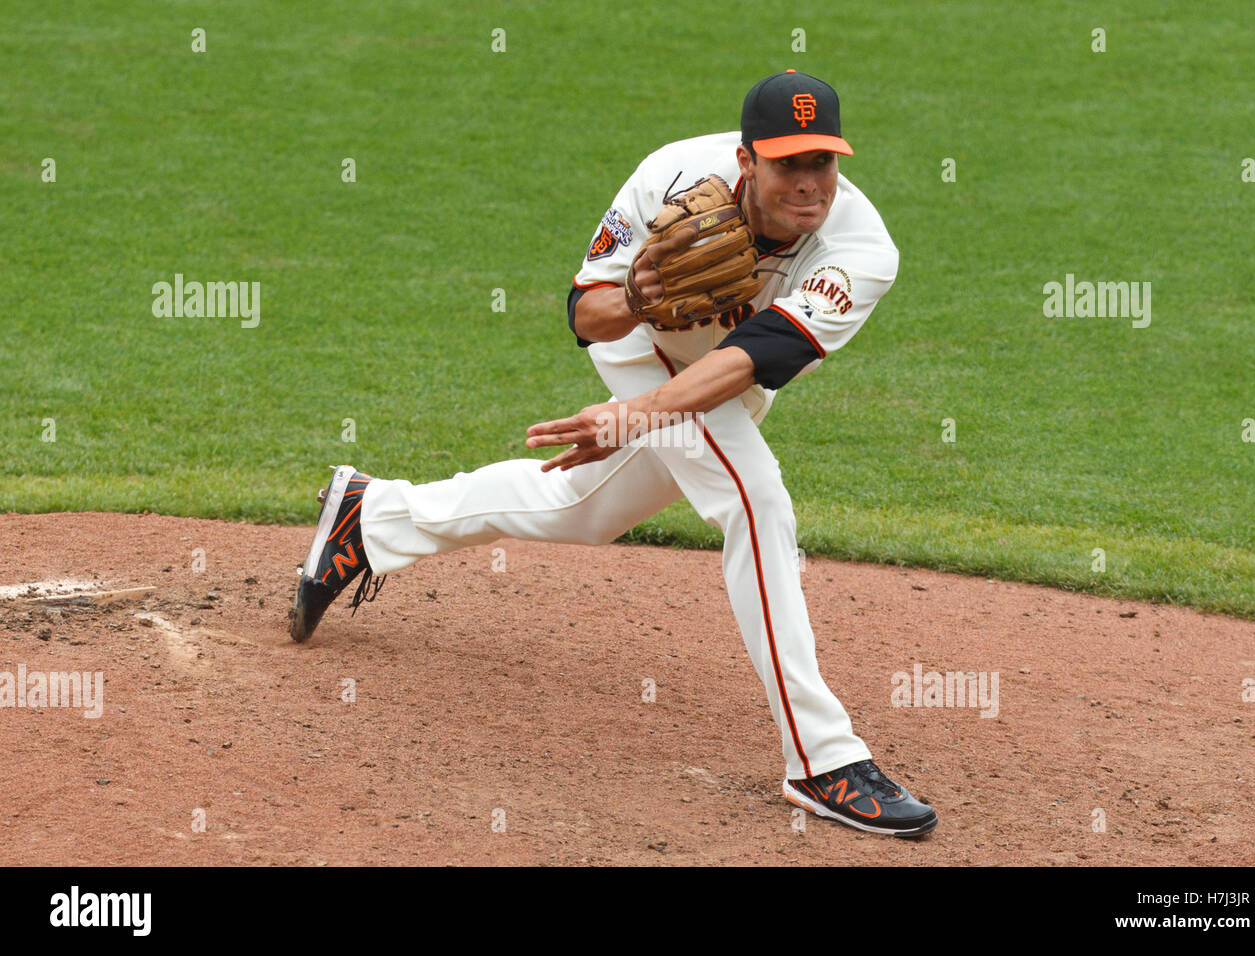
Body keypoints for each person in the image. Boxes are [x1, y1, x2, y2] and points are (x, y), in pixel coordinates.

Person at [290, 70, 938, 838]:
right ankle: (822, 759)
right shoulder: (668, 178)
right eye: (787, 164)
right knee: (756, 498)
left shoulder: (861, 248)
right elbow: (585, 315)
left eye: (822, 163)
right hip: (643, 351)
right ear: (746, 160)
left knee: (583, 509)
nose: (807, 185)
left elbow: (749, 358)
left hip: (713, 372)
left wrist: (633, 421)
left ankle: (371, 517)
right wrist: (637, 297)